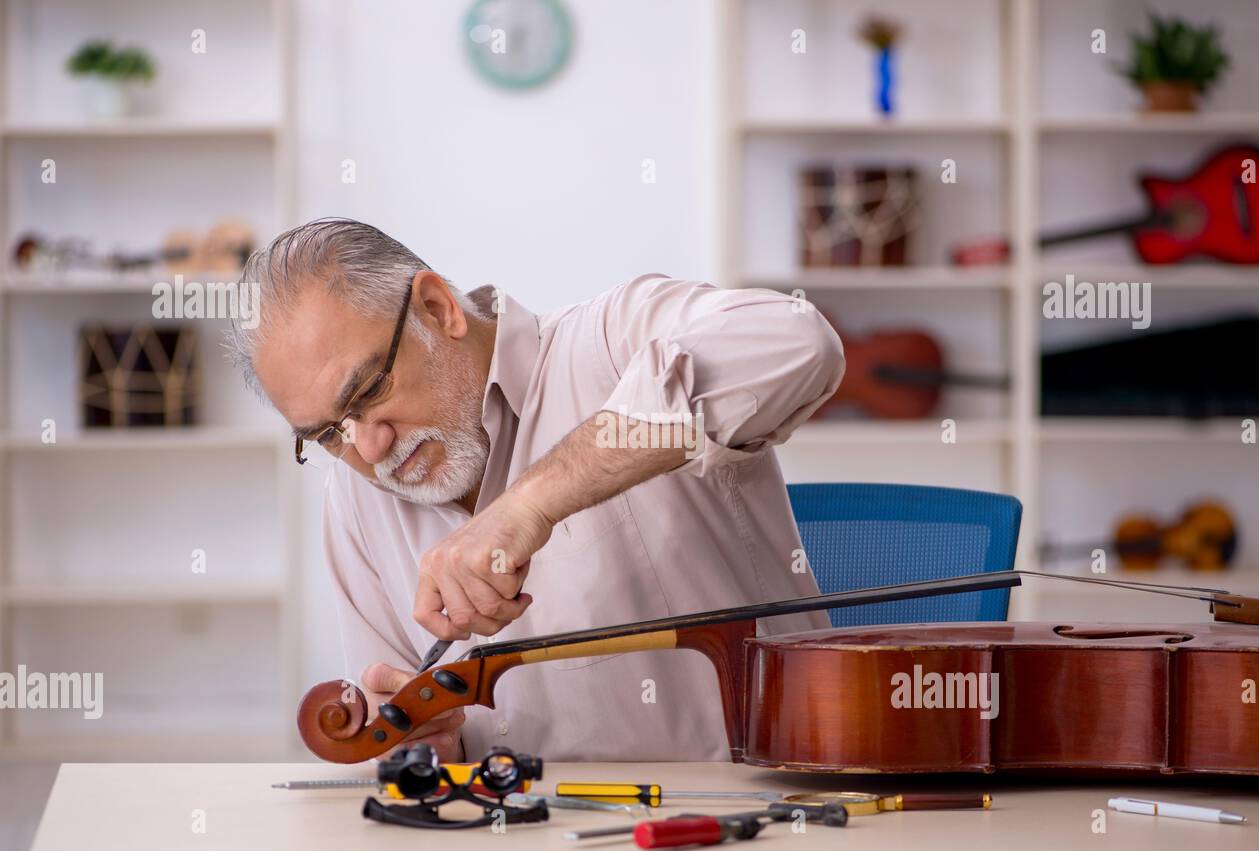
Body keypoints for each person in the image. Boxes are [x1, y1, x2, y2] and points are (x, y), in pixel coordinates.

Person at [227, 217, 844, 762]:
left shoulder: (610, 340)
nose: (368, 448)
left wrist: (531, 502)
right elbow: (399, 723)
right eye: (329, 433)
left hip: (754, 828)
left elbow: (799, 341)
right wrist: (428, 743)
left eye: (367, 393)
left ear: (438, 308)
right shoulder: (356, 498)